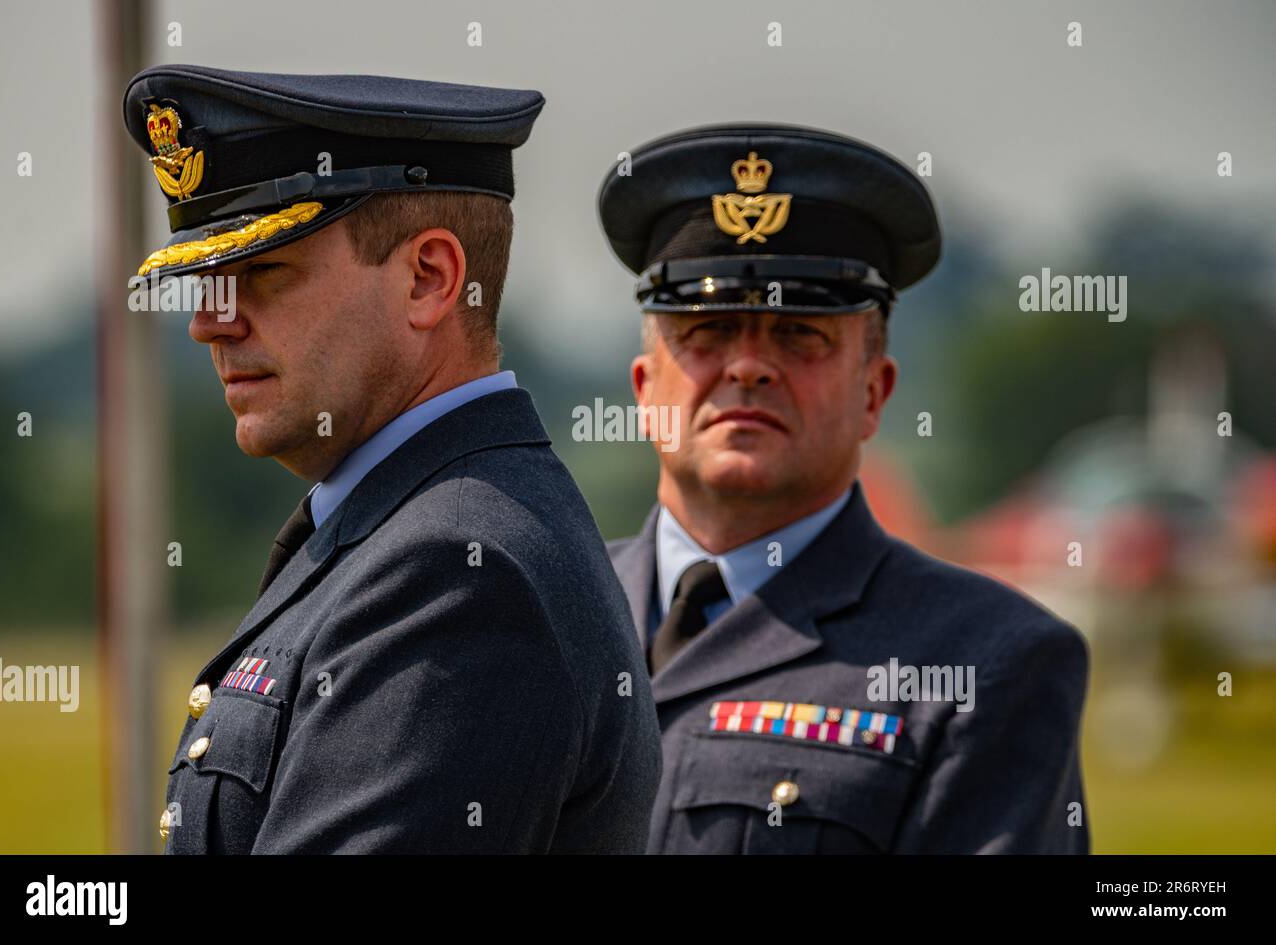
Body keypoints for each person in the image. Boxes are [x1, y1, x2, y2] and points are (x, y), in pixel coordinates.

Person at [127, 64, 661, 853]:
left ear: (429, 279)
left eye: (260, 272)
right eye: (205, 280)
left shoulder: (456, 574)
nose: (210, 323)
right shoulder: (410, 527)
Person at [597, 123, 1090, 853]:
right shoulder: (537, 611)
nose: (749, 368)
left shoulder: (990, 663)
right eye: (708, 329)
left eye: (800, 333)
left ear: (874, 391)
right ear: (644, 388)